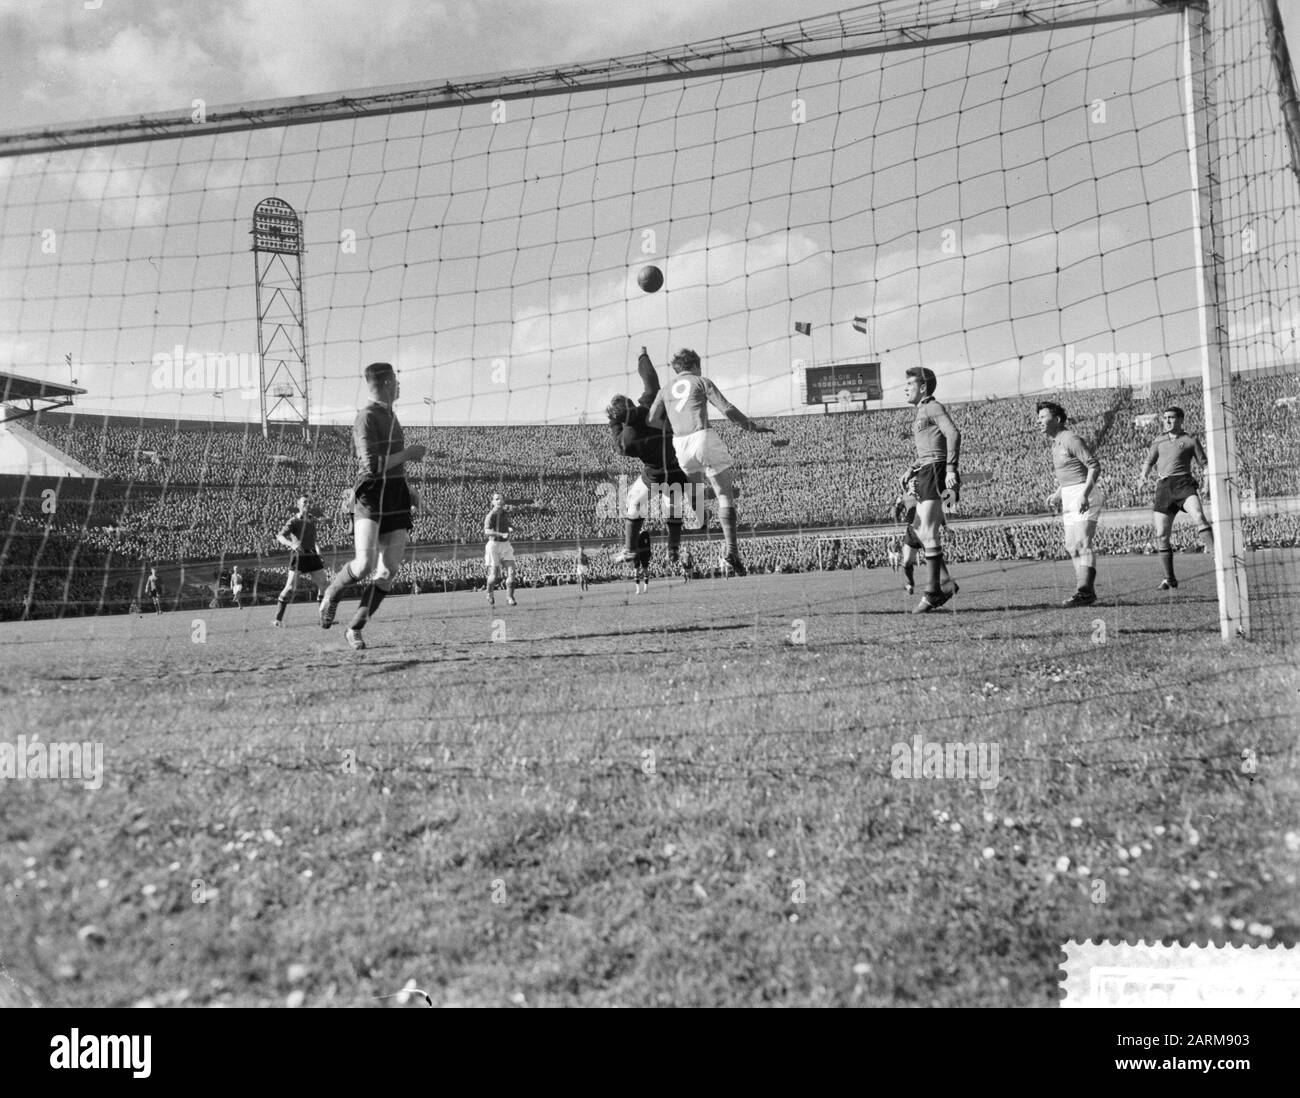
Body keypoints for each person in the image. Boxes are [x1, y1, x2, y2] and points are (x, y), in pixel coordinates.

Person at [319, 362, 426, 649]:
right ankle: (332, 592)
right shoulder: (365, 417)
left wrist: (408, 488)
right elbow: (373, 466)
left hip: (396, 496)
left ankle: (354, 628)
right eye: (397, 380)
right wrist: (408, 454)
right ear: (388, 382)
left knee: (388, 570)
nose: (400, 385)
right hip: (370, 495)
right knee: (365, 564)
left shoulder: (392, 415)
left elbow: (392, 468)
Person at [647, 347, 774, 576]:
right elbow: (726, 408)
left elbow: (652, 419)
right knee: (724, 494)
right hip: (702, 436)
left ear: (677, 369)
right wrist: (751, 426)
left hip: (680, 444)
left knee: (693, 490)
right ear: (695, 365)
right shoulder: (701, 381)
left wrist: (672, 427)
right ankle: (732, 550)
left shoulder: (665, 389)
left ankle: (700, 518)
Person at [607, 348, 688, 566]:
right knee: (673, 506)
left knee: (633, 503)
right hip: (676, 468)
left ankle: (630, 549)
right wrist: (643, 357)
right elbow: (651, 379)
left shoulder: (627, 440)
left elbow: (618, 445)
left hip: (654, 474)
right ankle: (673, 551)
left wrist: (613, 421)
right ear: (632, 403)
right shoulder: (649, 405)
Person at [902, 366, 961, 613]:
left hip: (936, 470)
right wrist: (913, 467)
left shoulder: (933, 407)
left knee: (927, 530)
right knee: (921, 530)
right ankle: (944, 584)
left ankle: (933, 591)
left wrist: (950, 469)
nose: (905, 388)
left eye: (910, 384)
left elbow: (953, 434)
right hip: (927, 469)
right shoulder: (921, 412)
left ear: (923, 387)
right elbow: (930, 446)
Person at [1136, 406, 1214, 590]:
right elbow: (1149, 461)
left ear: (1180, 419)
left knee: (1199, 516)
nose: (1167, 421)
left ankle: (1216, 554)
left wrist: (1206, 484)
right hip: (1163, 487)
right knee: (1162, 535)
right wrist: (1143, 476)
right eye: (1165, 418)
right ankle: (1169, 579)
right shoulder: (1158, 440)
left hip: (1184, 484)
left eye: (1171, 418)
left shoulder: (1190, 440)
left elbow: (1205, 465)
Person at [1037, 401, 1102, 606]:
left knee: (1083, 543)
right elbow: (1070, 474)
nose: (1038, 421)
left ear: (1056, 419)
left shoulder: (1071, 439)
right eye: (1038, 417)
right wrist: (1058, 493)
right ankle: (1083, 591)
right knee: (1071, 546)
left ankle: (1085, 592)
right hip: (1068, 494)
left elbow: (1093, 466)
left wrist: (1084, 493)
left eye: (1042, 417)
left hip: (1084, 494)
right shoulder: (1055, 443)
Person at [273, 496, 328, 627]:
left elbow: (315, 540)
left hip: (312, 555)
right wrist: (291, 544)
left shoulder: (312, 520)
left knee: (324, 585)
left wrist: (319, 552)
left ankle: (323, 618)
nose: (308, 504)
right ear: (298, 505)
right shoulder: (293, 521)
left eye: (309, 502)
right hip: (299, 556)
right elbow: (279, 536)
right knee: (290, 587)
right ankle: (277, 619)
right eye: (305, 502)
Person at [483, 491, 517, 607]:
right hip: (494, 545)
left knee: (512, 572)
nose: (499, 501)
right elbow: (487, 531)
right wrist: (501, 534)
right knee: (494, 576)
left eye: (501, 499)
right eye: (496, 499)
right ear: (492, 502)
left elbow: (508, 524)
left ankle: (510, 597)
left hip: (506, 545)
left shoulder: (505, 513)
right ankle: (489, 592)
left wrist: (514, 528)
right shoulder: (490, 516)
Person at [633, 526, 652, 594]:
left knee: (645, 570)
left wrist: (649, 553)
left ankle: (645, 589)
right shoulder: (634, 532)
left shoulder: (646, 534)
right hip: (637, 554)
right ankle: (638, 589)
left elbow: (649, 544)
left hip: (644, 554)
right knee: (636, 571)